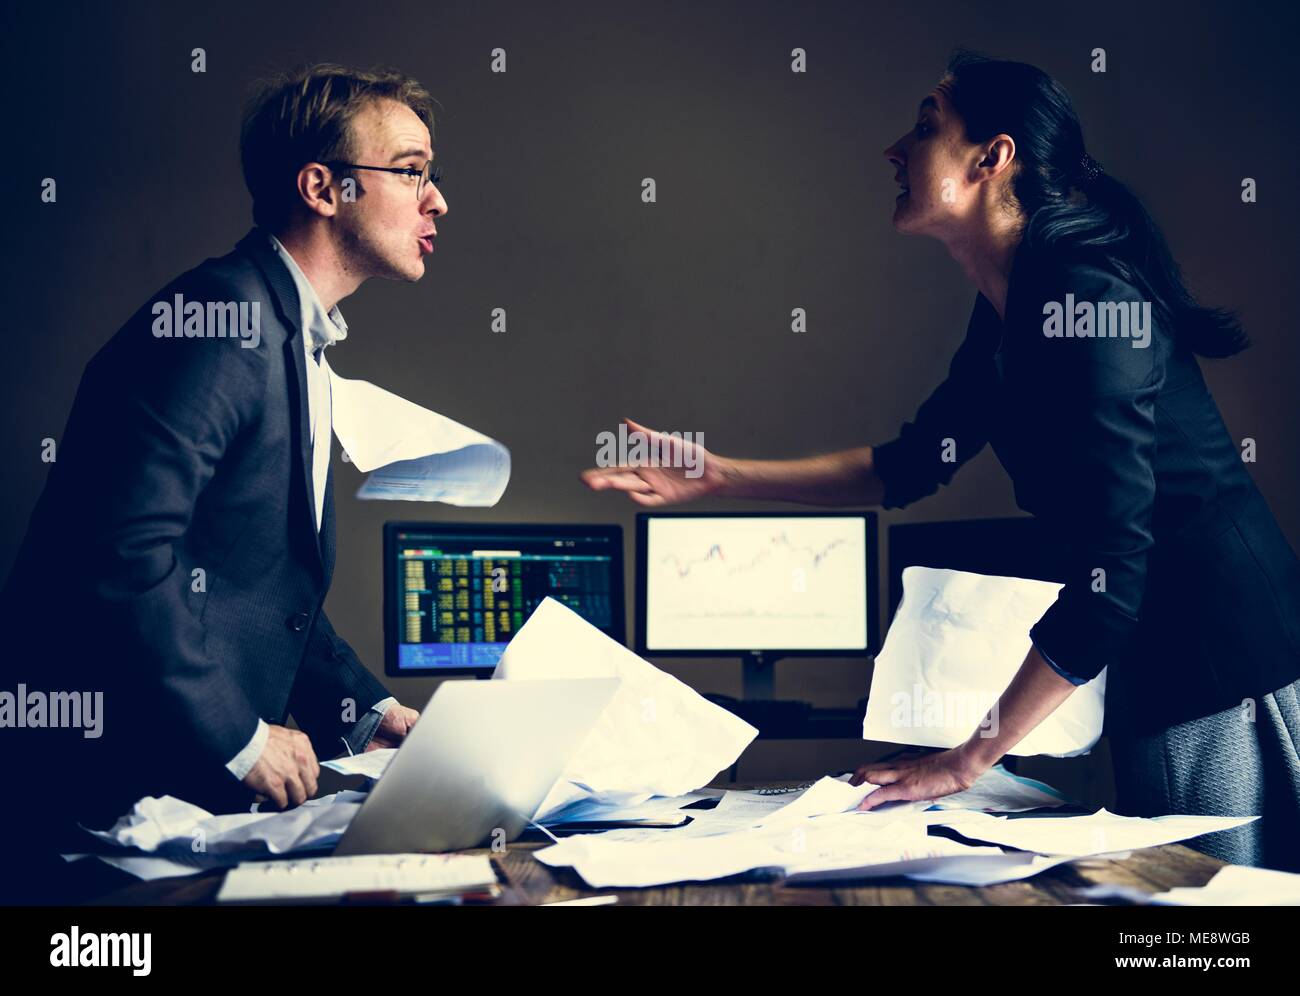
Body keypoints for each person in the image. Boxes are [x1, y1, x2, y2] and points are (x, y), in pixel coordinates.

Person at [582, 52, 1300, 870]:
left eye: (924, 127)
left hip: (1225, 663)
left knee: (1208, 926)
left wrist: (965, 761)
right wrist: (720, 475)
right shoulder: (1008, 304)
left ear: (992, 159)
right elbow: (911, 465)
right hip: (1158, 663)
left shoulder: (1089, 301)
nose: (894, 149)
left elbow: (1114, 578)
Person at [0, 64, 446, 901]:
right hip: (94, 810)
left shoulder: (295, 341)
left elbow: (257, 585)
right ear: (323, 185)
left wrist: (366, 712)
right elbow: (119, 553)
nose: (438, 200)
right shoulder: (220, 322)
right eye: (412, 170)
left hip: (173, 805)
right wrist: (239, 738)